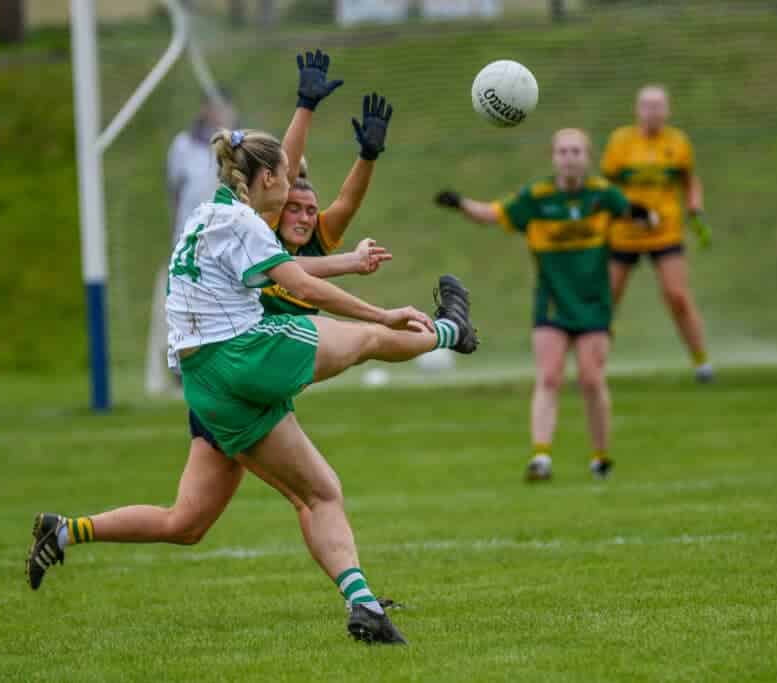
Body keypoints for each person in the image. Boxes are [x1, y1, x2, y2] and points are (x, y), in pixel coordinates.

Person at [27, 125, 479, 645]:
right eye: (287, 175)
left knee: (201, 519)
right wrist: (386, 312)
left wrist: (351, 263)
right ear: (266, 178)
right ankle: (450, 330)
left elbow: (291, 266)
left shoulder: (203, 216)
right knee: (366, 340)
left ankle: (65, 530)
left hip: (204, 388)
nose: (293, 185)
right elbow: (302, 282)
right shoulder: (245, 223)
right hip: (247, 357)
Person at [434, 129, 655, 481]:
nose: (569, 157)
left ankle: (600, 458)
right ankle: (541, 457)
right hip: (552, 303)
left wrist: (645, 216)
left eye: (576, 151)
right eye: (563, 151)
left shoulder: (602, 195)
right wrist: (461, 203)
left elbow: (635, 214)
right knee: (549, 377)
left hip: (594, 303)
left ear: (587, 156)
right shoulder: (537, 197)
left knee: (591, 379)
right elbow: (493, 213)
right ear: (554, 157)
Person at [601, 85, 714, 383]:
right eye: (647, 106)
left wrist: (695, 209)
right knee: (607, 300)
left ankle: (702, 364)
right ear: (637, 110)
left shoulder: (677, 142)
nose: (652, 112)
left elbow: (690, 182)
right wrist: (628, 213)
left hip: (666, 233)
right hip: (625, 232)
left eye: (658, 106)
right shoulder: (621, 141)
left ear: (667, 110)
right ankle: (593, 368)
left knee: (677, 296)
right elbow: (607, 188)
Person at [260, 92, 393, 315]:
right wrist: (306, 104)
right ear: (279, 211)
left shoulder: (317, 237)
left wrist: (368, 156)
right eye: (293, 209)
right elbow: (286, 173)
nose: (304, 218)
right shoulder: (261, 231)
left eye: (311, 211)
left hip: (298, 343)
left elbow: (346, 202)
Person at [147, 94, 240, 395]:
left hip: (226, 242)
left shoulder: (239, 145)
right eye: (212, 105)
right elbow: (174, 192)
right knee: (185, 308)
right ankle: (181, 371)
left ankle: (227, 367)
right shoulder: (183, 146)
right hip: (188, 242)